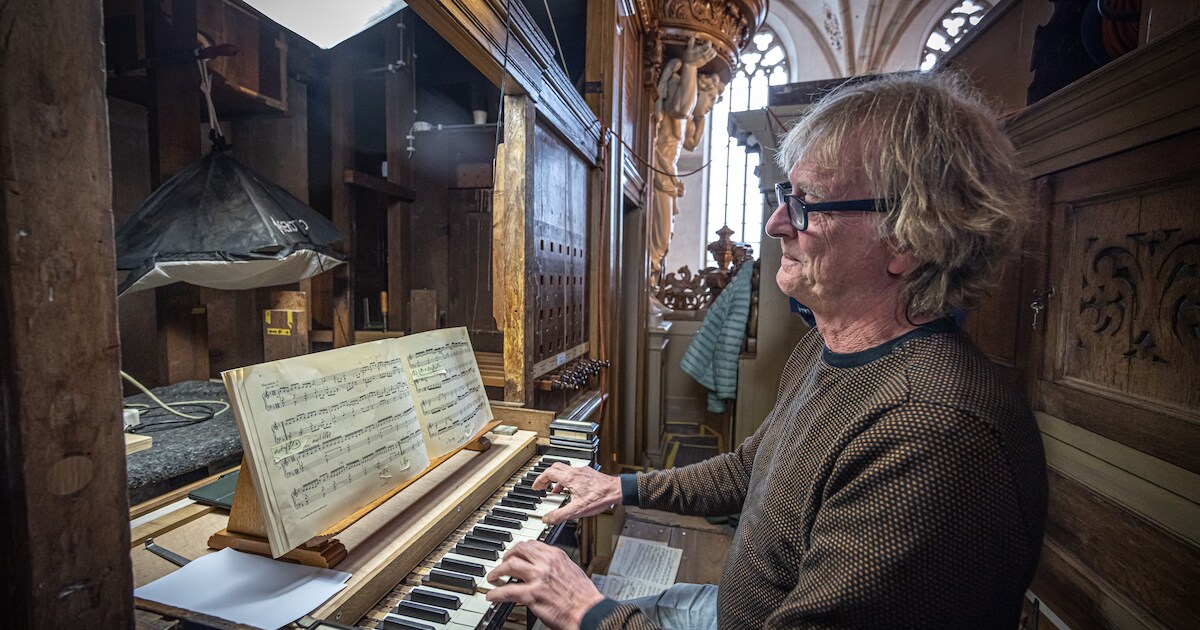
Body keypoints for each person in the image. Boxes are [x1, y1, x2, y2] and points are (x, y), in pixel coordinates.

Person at [485, 71, 1047, 629]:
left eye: (807, 204)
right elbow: (753, 469)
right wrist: (621, 487)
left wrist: (590, 612)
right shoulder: (824, 348)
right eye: (786, 195)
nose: (778, 223)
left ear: (906, 236)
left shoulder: (927, 433)